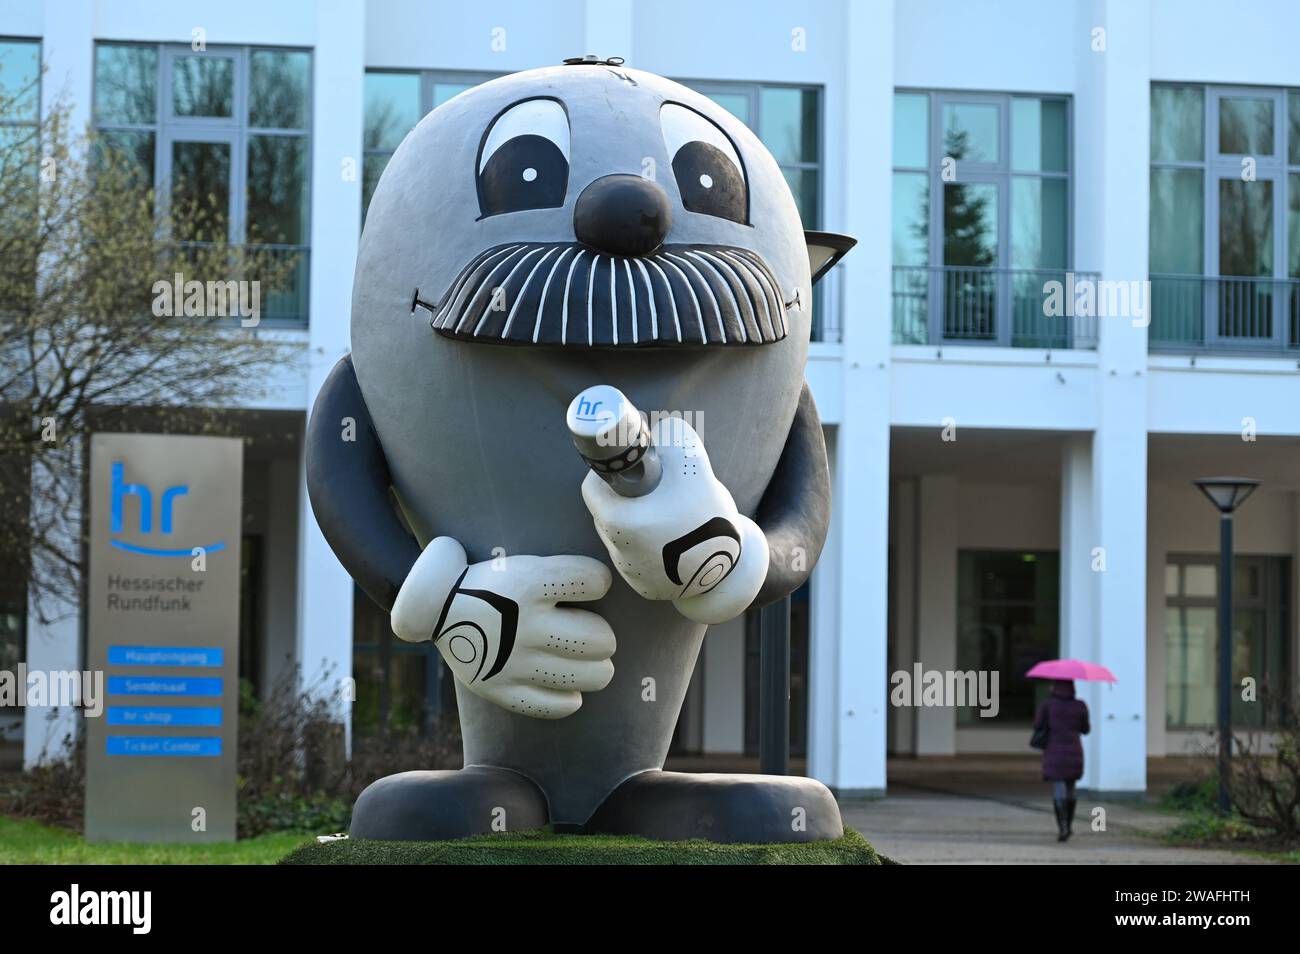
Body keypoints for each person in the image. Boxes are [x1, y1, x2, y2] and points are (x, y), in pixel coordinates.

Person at [1033, 679, 1090, 841]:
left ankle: (1062, 827)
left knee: (1058, 786)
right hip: (1074, 750)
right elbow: (1085, 729)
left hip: (1054, 750)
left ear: (1056, 687)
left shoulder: (1048, 705)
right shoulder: (1080, 705)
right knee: (1071, 787)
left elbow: (1038, 725)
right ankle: (1069, 826)